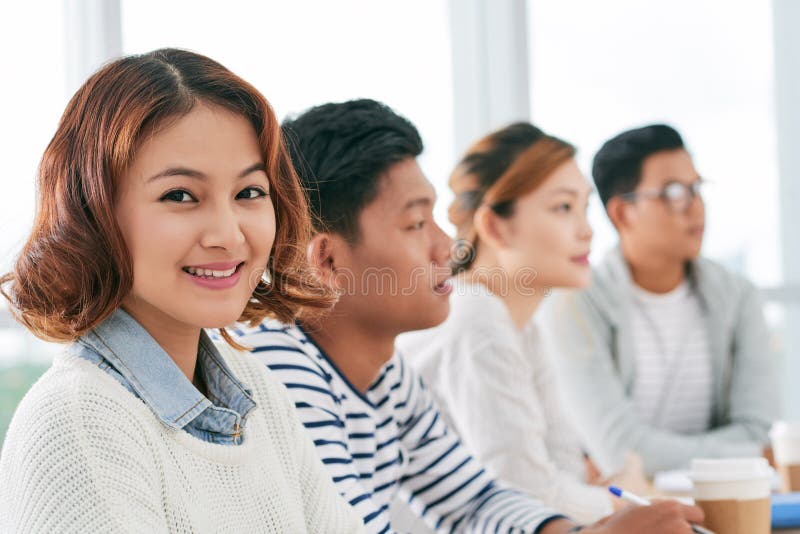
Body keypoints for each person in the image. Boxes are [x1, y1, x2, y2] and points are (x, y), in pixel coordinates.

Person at [232, 99, 704, 533]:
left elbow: (475, 502)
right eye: (416, 224)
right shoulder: (279, 368)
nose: (447, 246)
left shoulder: (387, 375)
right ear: (329, 261)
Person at [0, 49, 364, 533]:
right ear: (93, 213)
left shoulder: (254, 390)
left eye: (249, 193)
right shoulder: (80, 424)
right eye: (180, 196)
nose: (228, 234)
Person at [396, 123, 646, 524]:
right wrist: (621, 499)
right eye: (563, 208)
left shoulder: (522, 326)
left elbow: (562, 472)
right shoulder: (474, 318)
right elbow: (529, 499)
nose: (587, 230)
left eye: (585, 207)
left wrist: (603, 496)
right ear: (495, 226)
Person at [543, 124, 778, 476]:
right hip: (628, 502)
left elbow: (758, 431)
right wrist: (746, 454)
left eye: (696, 188)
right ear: (622, 213)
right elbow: (619, 450)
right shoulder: (576, 302)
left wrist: (658, 455)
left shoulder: (738, 295)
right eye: (673, 192)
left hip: (726, 494)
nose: (695, 207)